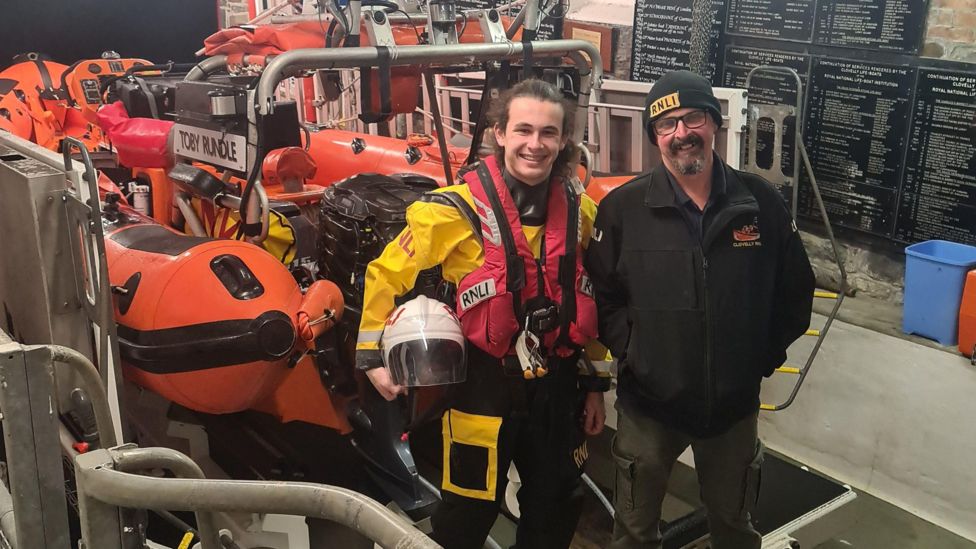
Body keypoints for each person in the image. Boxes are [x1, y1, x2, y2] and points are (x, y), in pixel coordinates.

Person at [355, 78, 611, 549]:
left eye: (549, 134)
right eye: (524, 130)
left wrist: (594, 387)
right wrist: (371, 356)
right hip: (481, 389)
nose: (535, 144)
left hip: (557, 389)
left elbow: (585, 297)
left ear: (563, 141)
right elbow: (384, 273)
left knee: (556, 507)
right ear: (500, 133)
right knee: (466, 514)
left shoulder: (582, 212)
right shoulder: (453, 211)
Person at [585, 70, 815, 549]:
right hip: (649, 409)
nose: (681, 133)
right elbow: (602, 296)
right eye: (666, 124)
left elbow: (795, 292)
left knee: (734, 529)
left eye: (692, 118)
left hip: (732, 412)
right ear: (655, 138)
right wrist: (635, 353)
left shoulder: (759, 204)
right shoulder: (622, 210)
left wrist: (759, 357)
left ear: (714, 124)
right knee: (632, 534)